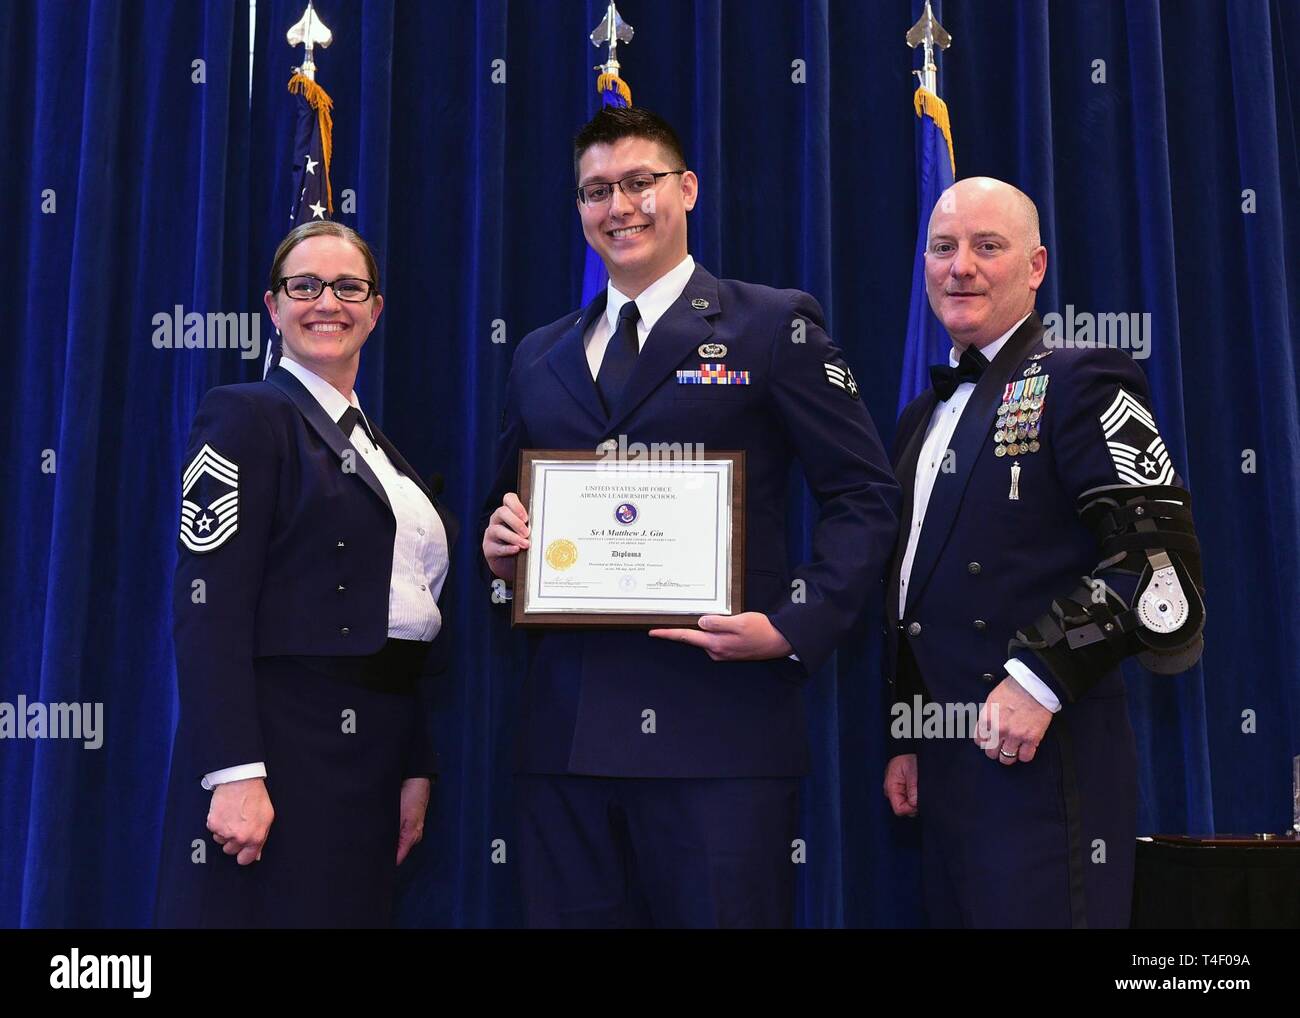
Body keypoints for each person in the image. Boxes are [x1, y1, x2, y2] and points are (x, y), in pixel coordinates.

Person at [482, 106, 900, 928]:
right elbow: (509, 512)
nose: (619, 207)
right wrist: (503, 552)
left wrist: (793, 625)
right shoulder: (539, 353)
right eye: (597, 190)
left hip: (720, 735)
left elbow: (864, 495)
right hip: (566, 744)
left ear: (688, 190)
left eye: (641, 182)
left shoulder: (772, 324)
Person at [881, 177, 1205, 928]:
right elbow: (912, 596)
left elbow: (1159, 569)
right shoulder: (918, 417)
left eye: (987, 246)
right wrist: (908, 731)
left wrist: (1042, 676)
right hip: (948, 767)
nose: (960, 266)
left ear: (1035, 266)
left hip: (1047, 758)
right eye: (943, 247)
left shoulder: (1084, 376)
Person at [154, 221, 456, 927]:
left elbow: (402, 612)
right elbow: (208, 605)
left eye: (350, 287)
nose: (329, 302)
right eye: (306, 286)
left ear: (376, 310)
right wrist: (234, 771)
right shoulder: (246, 414)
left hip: (373, 751)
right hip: (283, 745)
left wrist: (415, 761)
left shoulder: (381, 448)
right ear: (273, 306)